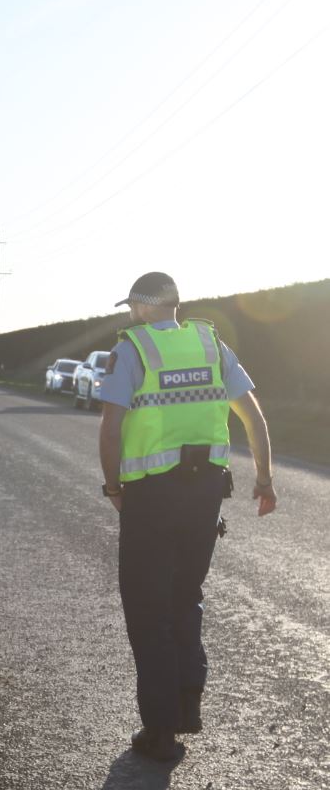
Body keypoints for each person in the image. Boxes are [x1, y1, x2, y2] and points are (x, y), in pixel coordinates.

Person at [96, 271, 277, 762]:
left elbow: (110, 429)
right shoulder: (210, 344)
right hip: (205, 495)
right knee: (185, 598)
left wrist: (113, 487)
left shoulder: (132, 349)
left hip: (151, 498)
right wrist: (264, 479)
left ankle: (160, 732)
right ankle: (186, 709)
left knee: (147, 610)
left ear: (140, 306)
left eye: (132, 307)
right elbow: (253, 416)